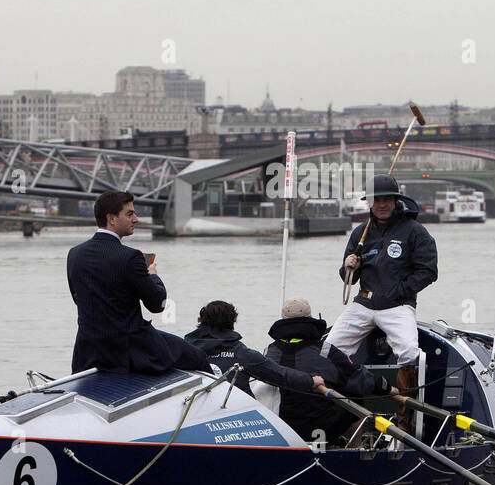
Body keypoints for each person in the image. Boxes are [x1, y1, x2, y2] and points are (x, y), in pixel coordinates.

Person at [66, 190, 212, 376]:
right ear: (111, 218)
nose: (136, 219)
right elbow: (157, 304)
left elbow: (79, 298)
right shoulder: (130, 257)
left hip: (87, 351)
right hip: (129, 349)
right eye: (129, 214)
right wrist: (152, 275)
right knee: (197, 357)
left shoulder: (74, 254)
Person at [325, 174, 438, 406]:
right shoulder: (360, 233)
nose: (382, 205)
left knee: (408, 352)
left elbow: (428, 271)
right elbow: (349, 279)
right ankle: (340, 406)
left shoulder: (415, 231)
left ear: (397, 201)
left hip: (398, 306)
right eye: (377, 200)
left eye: (387, 199)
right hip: (363, 304)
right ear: (370, 203)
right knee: (328, 349)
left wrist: (399, 292)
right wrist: (348, 267)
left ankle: (406, 412)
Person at [265, 297, 394, 447]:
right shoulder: (325, 352)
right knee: (353, 395)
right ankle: (355, 449)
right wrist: (387, 388)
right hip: (323, 426)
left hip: (282, 426)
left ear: (282, 320)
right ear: (310, 318)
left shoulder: (269, 352)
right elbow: (358, 378)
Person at [184, 300, 326, 398]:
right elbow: (279, 374)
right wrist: (310, 380)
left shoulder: (184, 350)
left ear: (201, 321)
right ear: (232, 322)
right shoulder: (241, 353)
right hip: (234, 413)